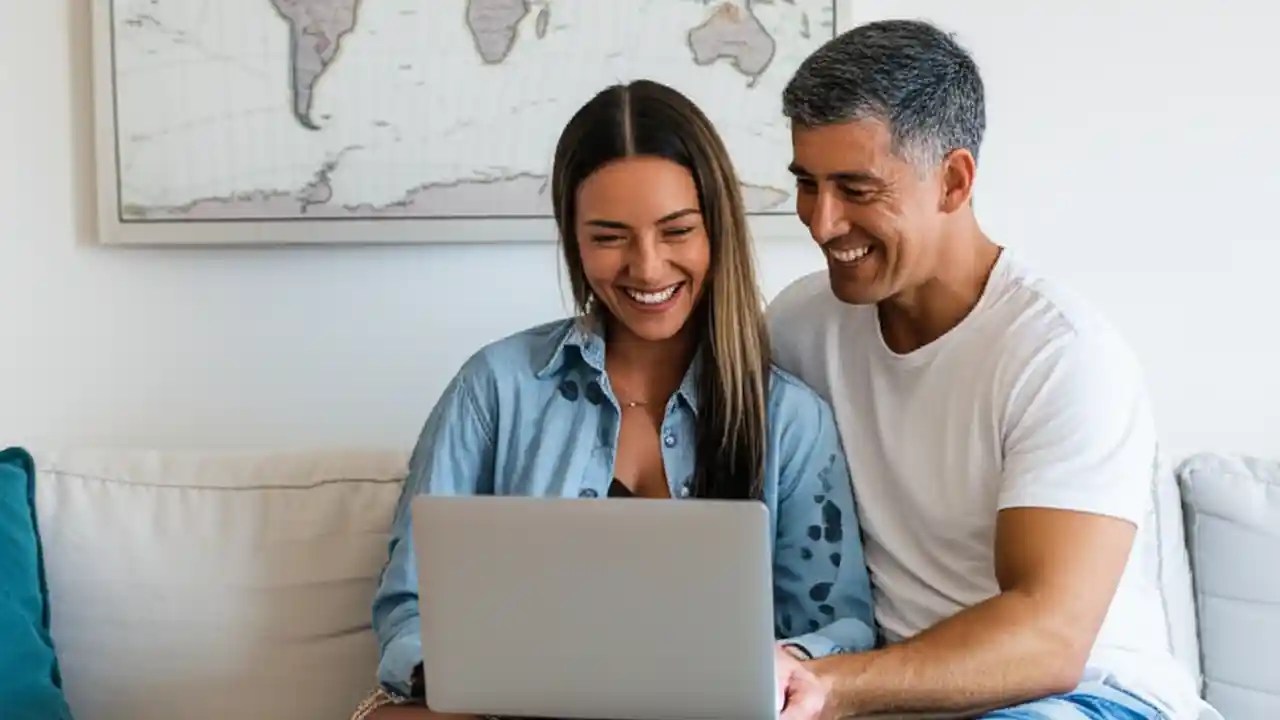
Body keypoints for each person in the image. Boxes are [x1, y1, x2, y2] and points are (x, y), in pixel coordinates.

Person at [350, 79, 876, 720]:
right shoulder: (495, 389)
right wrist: (475, 675)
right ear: (573, 240)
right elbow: (408, 606)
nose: (647, 268)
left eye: (677, 231)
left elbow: (841, 628)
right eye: (609, 237)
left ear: (717, 231)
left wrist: (777, 665)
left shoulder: (788, 420)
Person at [765, 18, 1218, 720]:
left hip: (1088, 697)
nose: (822, 223)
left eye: (856, 188)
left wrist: (835, 684)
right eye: (807, 184)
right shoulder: (800, 325)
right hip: (898, 697)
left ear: (953, 181)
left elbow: (1048, 639)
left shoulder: (1061, 355)